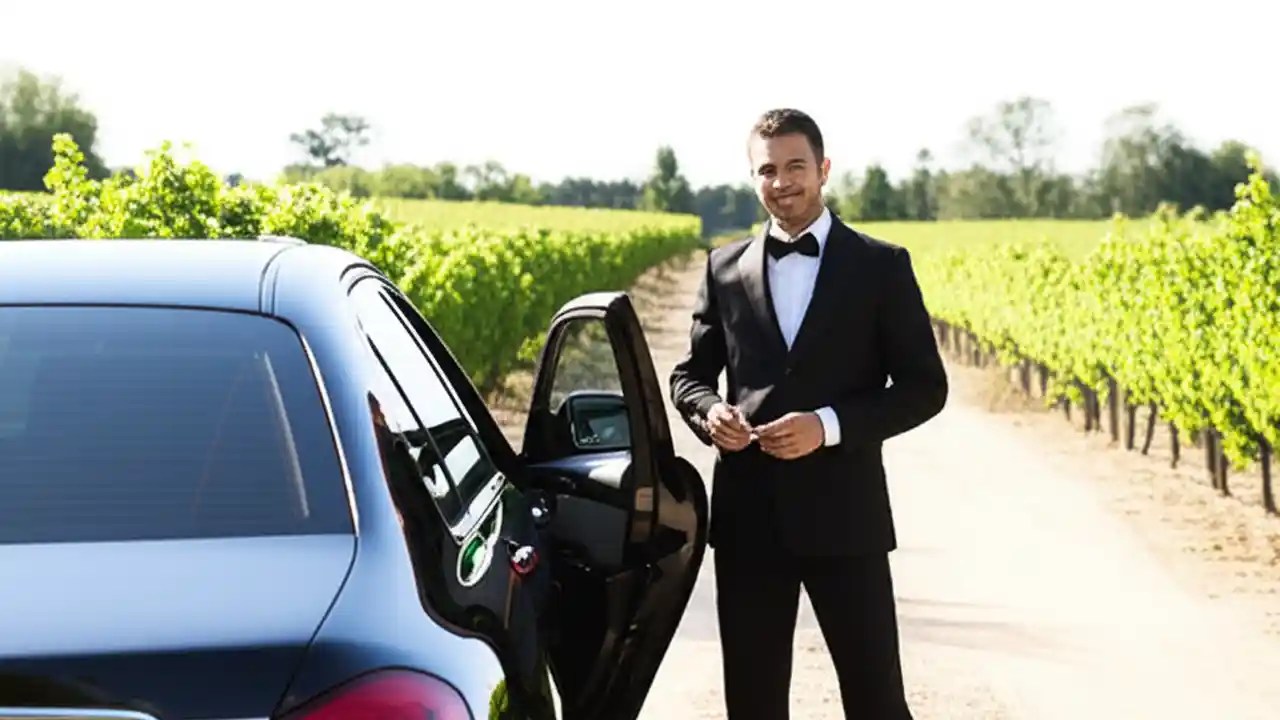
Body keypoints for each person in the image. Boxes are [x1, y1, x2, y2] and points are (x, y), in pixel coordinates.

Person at [668, 108, 948, 719]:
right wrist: (710, 411)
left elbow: (926, 387)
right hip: (748, 520)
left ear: (822, 169)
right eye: (766, 169)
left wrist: (828, 425)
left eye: (795, 166)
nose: (781, 181)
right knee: (753, 702)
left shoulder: (881, 266)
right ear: (753, 177)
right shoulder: (723, 269)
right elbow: (688, 376)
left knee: (876, 699)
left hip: (847, 515)